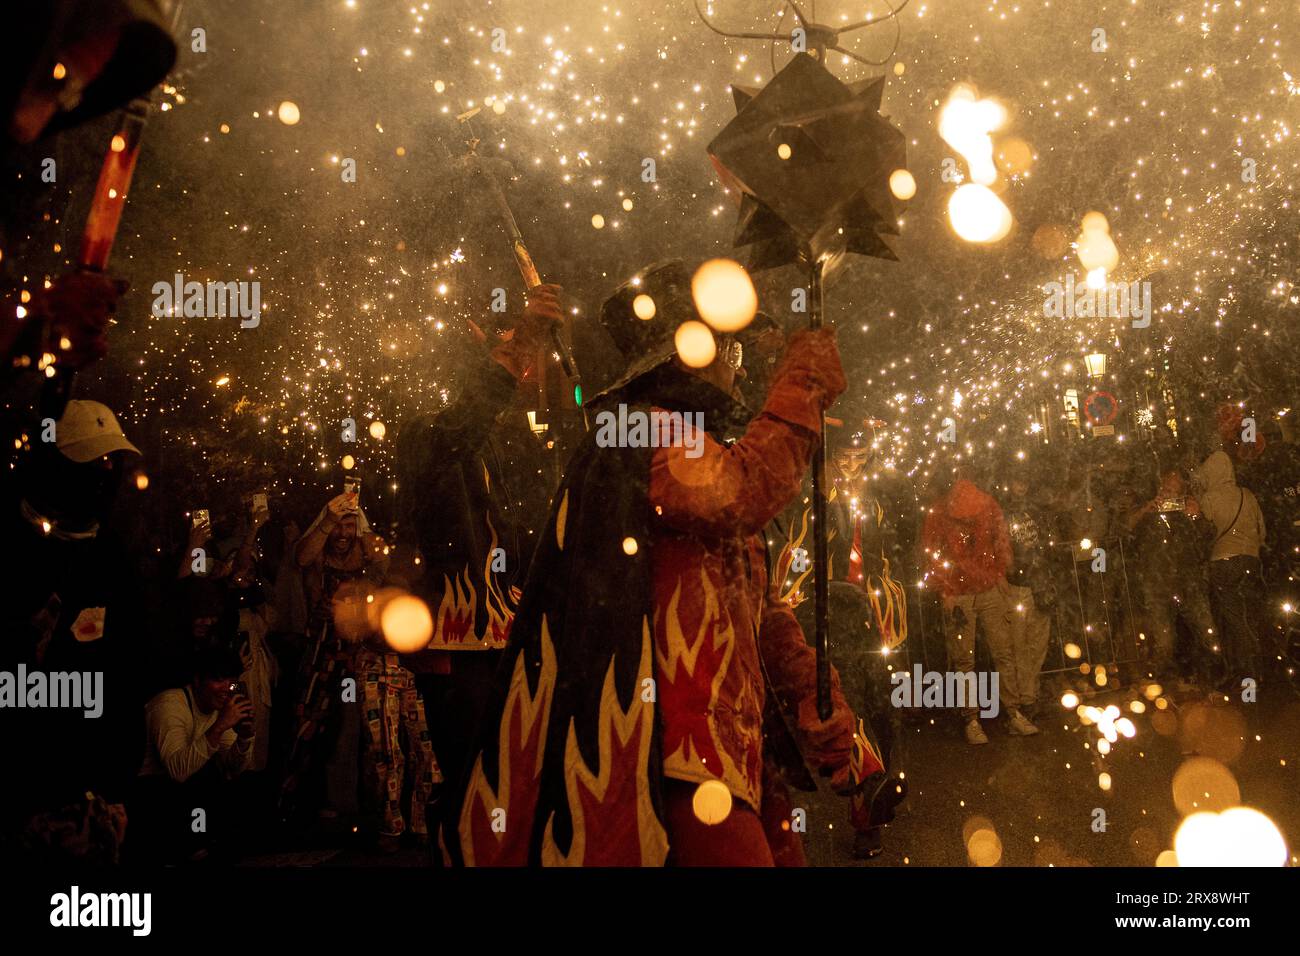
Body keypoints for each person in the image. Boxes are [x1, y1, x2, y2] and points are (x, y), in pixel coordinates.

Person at [449, 260, 856, 866]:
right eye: (732, 353)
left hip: (735, 752)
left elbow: (757, 604)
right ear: (688, 354)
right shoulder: (646, 433)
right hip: (669, 754)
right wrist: (805, 381)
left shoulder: (688, 441)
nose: (738, 372)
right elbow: (743, 492)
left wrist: (813, 692)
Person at [395, 283, 567, 815]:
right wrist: (526, 337)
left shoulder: (508, 441)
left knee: (521, 778)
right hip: (458, 633)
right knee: (473, 780)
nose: (516, 373)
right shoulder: (429, 433)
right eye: (488, 356)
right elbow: (467, 418)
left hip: (507, 631)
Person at [0, 399, 145, 863]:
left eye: (111, 461)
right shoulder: (13, 544)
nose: (105, 475)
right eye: (92, 462)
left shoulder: (112, 556)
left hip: (91, 802)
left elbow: (125, 675)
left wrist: (116, 790)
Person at [772, 418, 909, 860]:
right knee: (852, 713)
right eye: (843, 457)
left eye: (858, 457)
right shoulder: (810, 499)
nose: (850, 465)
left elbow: (884, 557)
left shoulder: (875, 498)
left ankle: (880, 787)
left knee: (883, 713)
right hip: (831, 622)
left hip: (872, 621)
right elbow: (797, 559)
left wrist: (884, 601)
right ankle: (866, 807)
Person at [922, 464, 1039, 744]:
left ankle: (972, 719)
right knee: (1003, 651)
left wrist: (944, 587)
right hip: (984, 588)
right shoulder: (987, 504)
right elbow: (1002, 544)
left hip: (960, 592)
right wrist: (998, 573)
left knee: (965, 659)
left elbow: (930, 553)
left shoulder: (939, 510)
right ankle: (1012, 713)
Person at [131, 632, 254, 863]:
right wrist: (218, 727)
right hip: (149, 790)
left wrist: (245, 738)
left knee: (240, 783)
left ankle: (213, 845)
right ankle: (188, 849)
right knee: (203, 775)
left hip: (184, 792)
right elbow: (178, 771)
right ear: (197, 681)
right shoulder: (170, 704)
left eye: (232, 682)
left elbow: (234, 767)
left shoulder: (220, 707)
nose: (226, 689)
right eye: (218, 680)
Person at [1120, 466, 1222, 692]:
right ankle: (1162, 683)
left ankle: (1209, 678)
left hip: (1188, 581)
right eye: (1166, 485)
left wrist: (1196, 515)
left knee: (1206, 631)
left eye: (1174, 487)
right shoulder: (1150, 511)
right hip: (1157, 583)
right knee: (1164, 639)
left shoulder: (1189, 511)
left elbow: (1208, 536)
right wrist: (1148, 509)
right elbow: (1124, 528)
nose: (1169, 490)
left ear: (1184, 490)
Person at [1194, 449, 1267, 687]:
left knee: (1232, 616)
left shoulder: (1209, 498)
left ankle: (1244, 669)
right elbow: (1262, 531)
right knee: (1249, 612)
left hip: (1223, 562)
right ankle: (1258, 661)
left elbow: (1204, 533)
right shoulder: (1247, 495)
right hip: (1251, 561)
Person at [1000, 472, 1056, 719]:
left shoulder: (1036, 511)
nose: (1020, 485)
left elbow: (1047, 542)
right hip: (1020, 584)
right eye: (1016, 480)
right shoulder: (1004, 513)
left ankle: (1029, 693)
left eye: (1023, 480)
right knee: (1020, 643)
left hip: (1038, 582)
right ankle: (1025, 697)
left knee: (1037, 642)